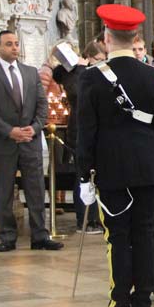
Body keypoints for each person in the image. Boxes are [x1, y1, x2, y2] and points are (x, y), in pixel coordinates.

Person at [77, 4, 154, 307]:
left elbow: (86, 131)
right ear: (135, 38)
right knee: (144, 236)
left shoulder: (92, 78)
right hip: (148, 168)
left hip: (113, 171)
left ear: (106, 37)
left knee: (118, 238)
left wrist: (83, 175)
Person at [0, 31, 64, 252]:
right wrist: (9, 131)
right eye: (9, 44)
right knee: (4, 192)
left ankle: (40, 235)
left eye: (16, 43)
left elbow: (42, 105)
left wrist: (36, 126)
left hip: (30, 140)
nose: (14, 48)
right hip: (3, 143)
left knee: (36, 189)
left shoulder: (30, 73)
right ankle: (8, 236)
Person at [51, 40, 104, 234]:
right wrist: (81, 69)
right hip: (79, 129)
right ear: (88, 58)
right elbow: (77, 93)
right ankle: (85, 219)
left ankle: (96, 218)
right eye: (98, 59)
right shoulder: (74, 73)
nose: (100, 63)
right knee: (82, 174)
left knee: (95, 175)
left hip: (95, 128)